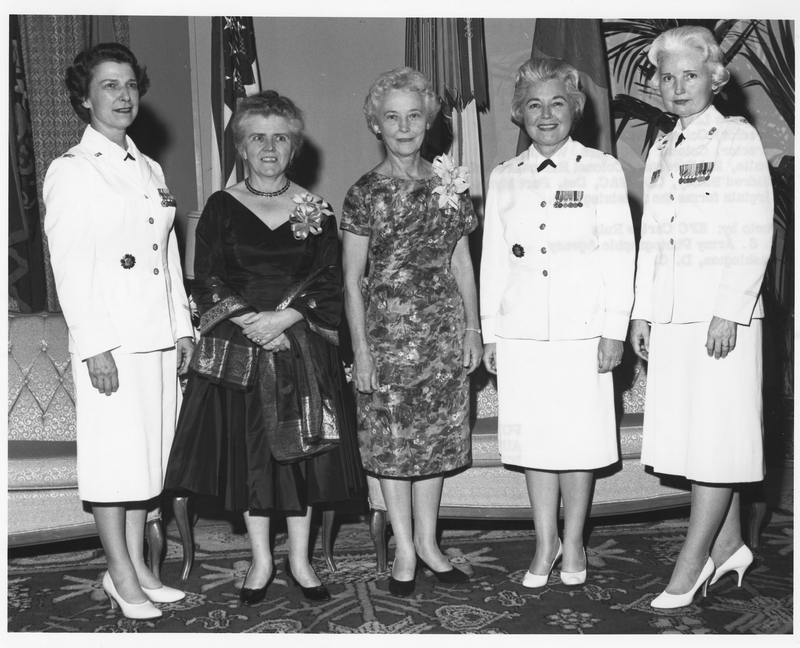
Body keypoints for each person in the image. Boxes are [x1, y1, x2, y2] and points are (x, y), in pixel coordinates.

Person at [164, 91, 363, 606]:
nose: (269, 147)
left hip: (303, 345)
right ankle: (261, 559)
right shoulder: (220, 206)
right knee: (252, 459)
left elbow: (328, 281)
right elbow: (205, 277)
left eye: (279, 137)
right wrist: (252, 322)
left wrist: (285, 319)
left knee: (305, 457)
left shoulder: (315, 208)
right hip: (241, 347)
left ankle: (300, 560)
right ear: (242, 147)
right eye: (258, 137)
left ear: (293, 146)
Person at [44, 43, 194, 620]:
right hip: (113, 342)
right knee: (114, 464)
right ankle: (120, 573)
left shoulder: (148, 167)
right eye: (109, 85)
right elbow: (71, 267)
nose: (123, 95)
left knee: (146, 463)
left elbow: (168, 258)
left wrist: (181, 326)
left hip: (155, 336)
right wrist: (95, 345)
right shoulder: (72, 170)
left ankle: (139, 567)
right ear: (85, 98)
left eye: (130, 84)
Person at [630, 26, 773, 609]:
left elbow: (754, 227)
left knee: (717, 440)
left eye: (690, 75)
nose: (678, 86)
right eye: (668, 76)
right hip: (672, 315)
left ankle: (689, 565)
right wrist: (642, 314)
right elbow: (652, 243)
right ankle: (731, 545)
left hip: (720, 315)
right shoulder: (663, 150)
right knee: (701, 440)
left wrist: (729, 309)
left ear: (714, 79)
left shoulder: (734, 139)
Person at [480, 57, 635, 589]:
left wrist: (615, 328)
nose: (546, 115)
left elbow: (620, 256)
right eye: (534, 105)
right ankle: (544, 542)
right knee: (535, 444)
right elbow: (494, 262)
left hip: (583, 332)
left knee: (578, 440)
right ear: (520, 114)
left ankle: (574, 543)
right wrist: (491, 333)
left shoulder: (602, 170)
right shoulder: (504, 177)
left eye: (557, 103)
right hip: (521, 332)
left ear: (575, 109)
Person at [341, 67, 482, 597]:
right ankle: (403, 546)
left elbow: (462, 264)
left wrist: (472, 327)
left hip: (442, 333)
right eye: (392, 117)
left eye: (414, 116)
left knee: (434, 443)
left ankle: (429, 543)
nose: (404, 127)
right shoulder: (364, 193)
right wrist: (362, 350)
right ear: (376, 124)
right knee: (393, 445)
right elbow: (352, 281)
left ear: (429, 122)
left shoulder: (451, 183)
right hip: (386, 337)